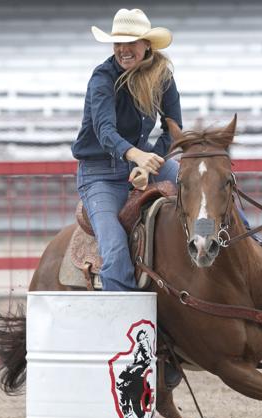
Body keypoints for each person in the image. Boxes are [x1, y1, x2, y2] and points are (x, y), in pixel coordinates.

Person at [72, 8, 182, 291]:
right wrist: (138, 157)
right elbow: (104, 132)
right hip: (100, 174)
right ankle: (123, 323)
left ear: (147, 45)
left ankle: (259, 255)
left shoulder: (162, 77)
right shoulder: (103, 78)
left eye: (130, 42)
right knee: (115, 248)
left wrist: (146, 165)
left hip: (142, 161)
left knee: (201, 189)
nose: (123, 49)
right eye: (118, 43)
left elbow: (173, 128)